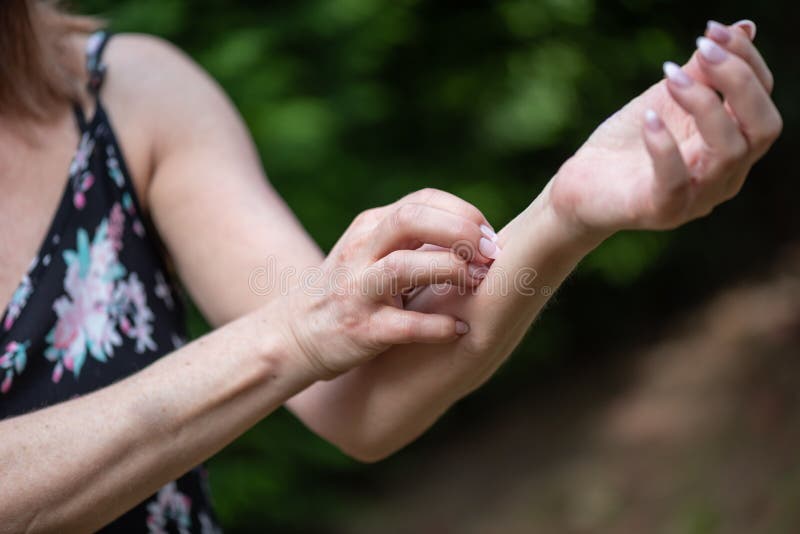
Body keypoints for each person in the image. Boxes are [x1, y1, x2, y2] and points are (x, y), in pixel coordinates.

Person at [0, 0, 781, 530]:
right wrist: (297, 334)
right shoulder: (295, 322)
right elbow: (310, 331)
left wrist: (564, 214)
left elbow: (357, 406)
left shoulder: (125, 95)